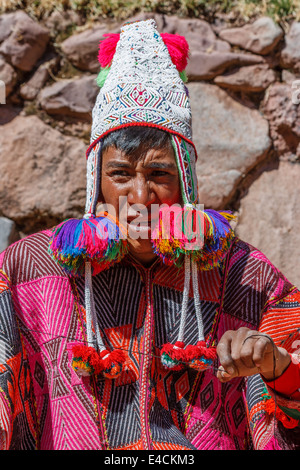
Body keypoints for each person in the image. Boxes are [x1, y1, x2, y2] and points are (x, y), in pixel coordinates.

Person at [0, 19, 300, 451]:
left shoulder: (245, 277)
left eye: (159, 174)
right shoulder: (28, 269)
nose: (140, 196)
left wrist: (274, 365)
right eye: (120, 174)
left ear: (186, 182)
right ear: (95, 182)